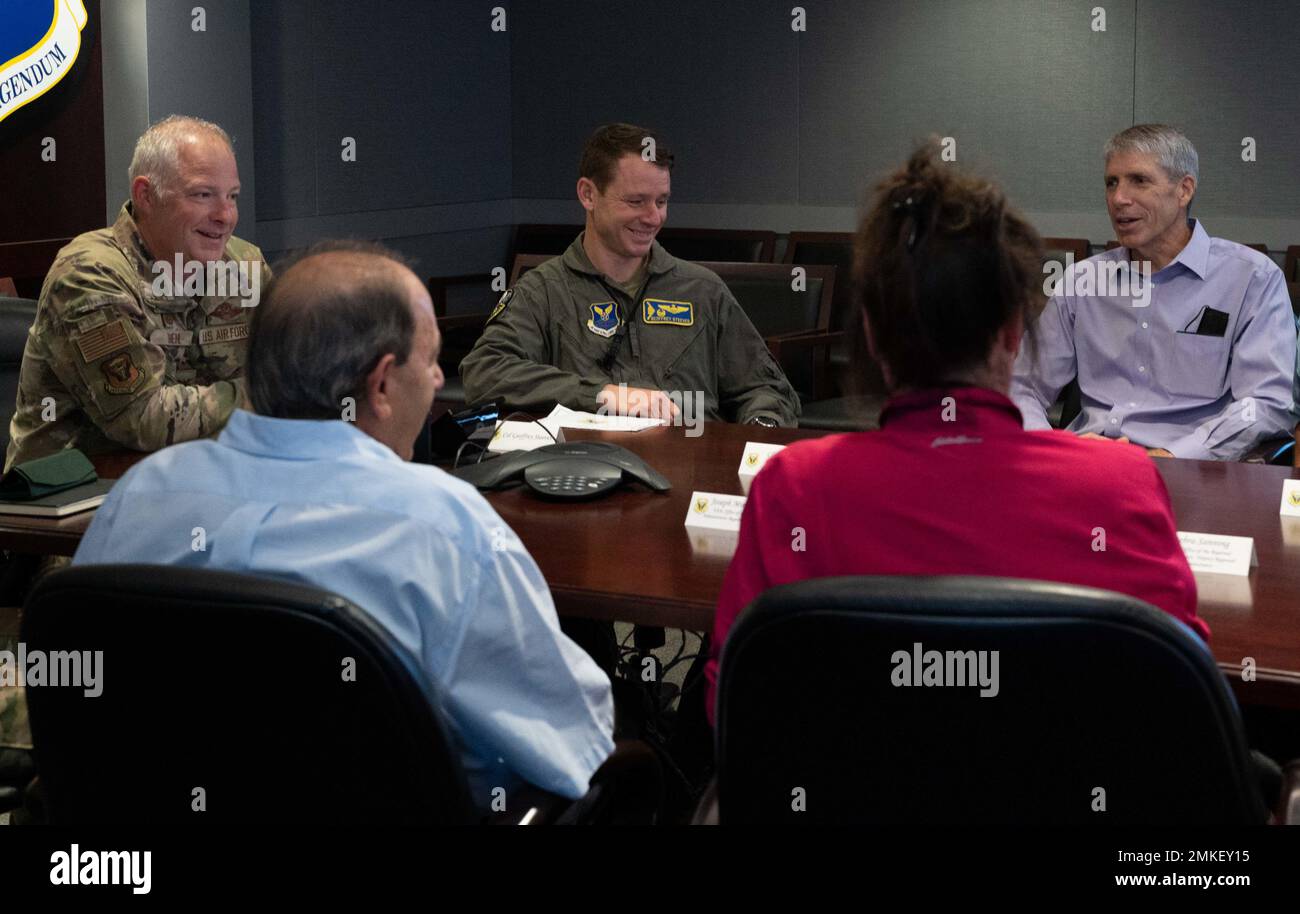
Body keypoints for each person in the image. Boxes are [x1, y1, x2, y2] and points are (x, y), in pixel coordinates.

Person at [72, 241, 615, 805]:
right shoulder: (446, 529)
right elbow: (573, 744)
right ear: (380, 385)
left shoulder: (138, 498)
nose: (435, 379)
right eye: (430, 360)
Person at [706, 142, 1209, 724]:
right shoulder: (1120, 486)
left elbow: (734, 702)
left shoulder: (792, 488)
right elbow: (1181, 693)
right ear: (1015, 333)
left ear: (870, 334)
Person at [460, 123, 799, 427]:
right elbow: (485, 372)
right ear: (588, 194)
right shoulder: (544, 291)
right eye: (636, 202)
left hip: (693, 465)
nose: (653, 218)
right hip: (583, 470)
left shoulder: (702, 290)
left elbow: (766, 388)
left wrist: (760, 429)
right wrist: (603, 395)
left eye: (662, 201)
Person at [1010, 124, 1296, 460]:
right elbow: (1022, 387)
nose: (1119, 198)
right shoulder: (1082, 281)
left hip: (1192, 469)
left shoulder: (1251, 279)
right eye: (1111, 183)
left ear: (1184, 190)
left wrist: (1175, 456)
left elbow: (1266, 402)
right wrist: (1051, 446)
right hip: (1090, 463)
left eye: (1139, 181)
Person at [6, 115, 268, 471]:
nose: (225, 215)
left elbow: (295, 367)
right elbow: (143, 418)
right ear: (146, 195)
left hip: (199, 480)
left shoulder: (243, 263)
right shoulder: (89, 275)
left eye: (232, 196)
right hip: (77, 500)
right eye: (203, 195)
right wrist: (267, 395)